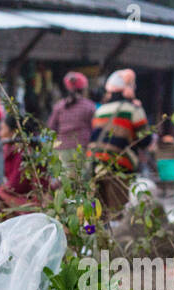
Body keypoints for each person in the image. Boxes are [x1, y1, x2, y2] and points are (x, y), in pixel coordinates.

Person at [85, 69, 151, 213]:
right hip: (119, 165)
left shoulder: (100, 110)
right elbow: (145, 140)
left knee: (97, 212)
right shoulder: (133, 109)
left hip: (94, 163)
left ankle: (94, 233)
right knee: (117, 211)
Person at [47, 71, 96, 164]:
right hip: (82, 147)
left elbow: (51, 127)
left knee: (65, 177)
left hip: (62, 149)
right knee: (81, 177)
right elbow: (94, 128)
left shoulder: (59, 106)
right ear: (84, 89)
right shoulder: (90, 106)